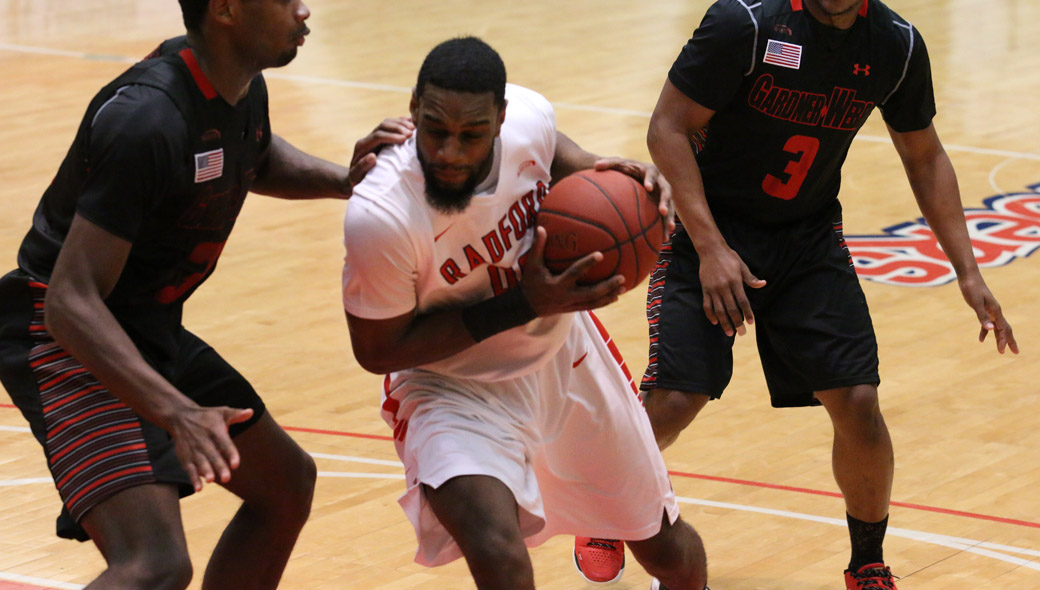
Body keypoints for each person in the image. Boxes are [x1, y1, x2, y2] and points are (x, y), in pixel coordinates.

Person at [0, 1, 412, 588]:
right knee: (154, 566)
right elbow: (70, 300)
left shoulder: (237, 86)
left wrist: (345, 182)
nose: (303, 8)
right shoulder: (147, 119)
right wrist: (179, 412)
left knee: (284, 486)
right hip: (63, 336)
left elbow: (253, 155)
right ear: (225, 10)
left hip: (143, 324)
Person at [639, 0, 1019, 589]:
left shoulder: (896, 44)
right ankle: (606, 506)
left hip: (806, 239)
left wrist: (968, 271)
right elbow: (667, 126)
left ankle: (867, 562)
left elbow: (924, 153)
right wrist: (711, 247)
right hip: (707, 229)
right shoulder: (746, 23)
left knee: (859, 404)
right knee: (673, 403)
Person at [341, 36, 710, 590]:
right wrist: (524, 302)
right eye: (435, 131)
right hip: (450, 388)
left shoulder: (528, 119)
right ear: (413, 109)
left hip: (562, 355)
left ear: (501, 120)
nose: (449, 152)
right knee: (499, 555)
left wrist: (620, 179)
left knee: (670, 553)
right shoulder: (382, 214)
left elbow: (562, 157)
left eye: (472, 136)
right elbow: (378, 351)